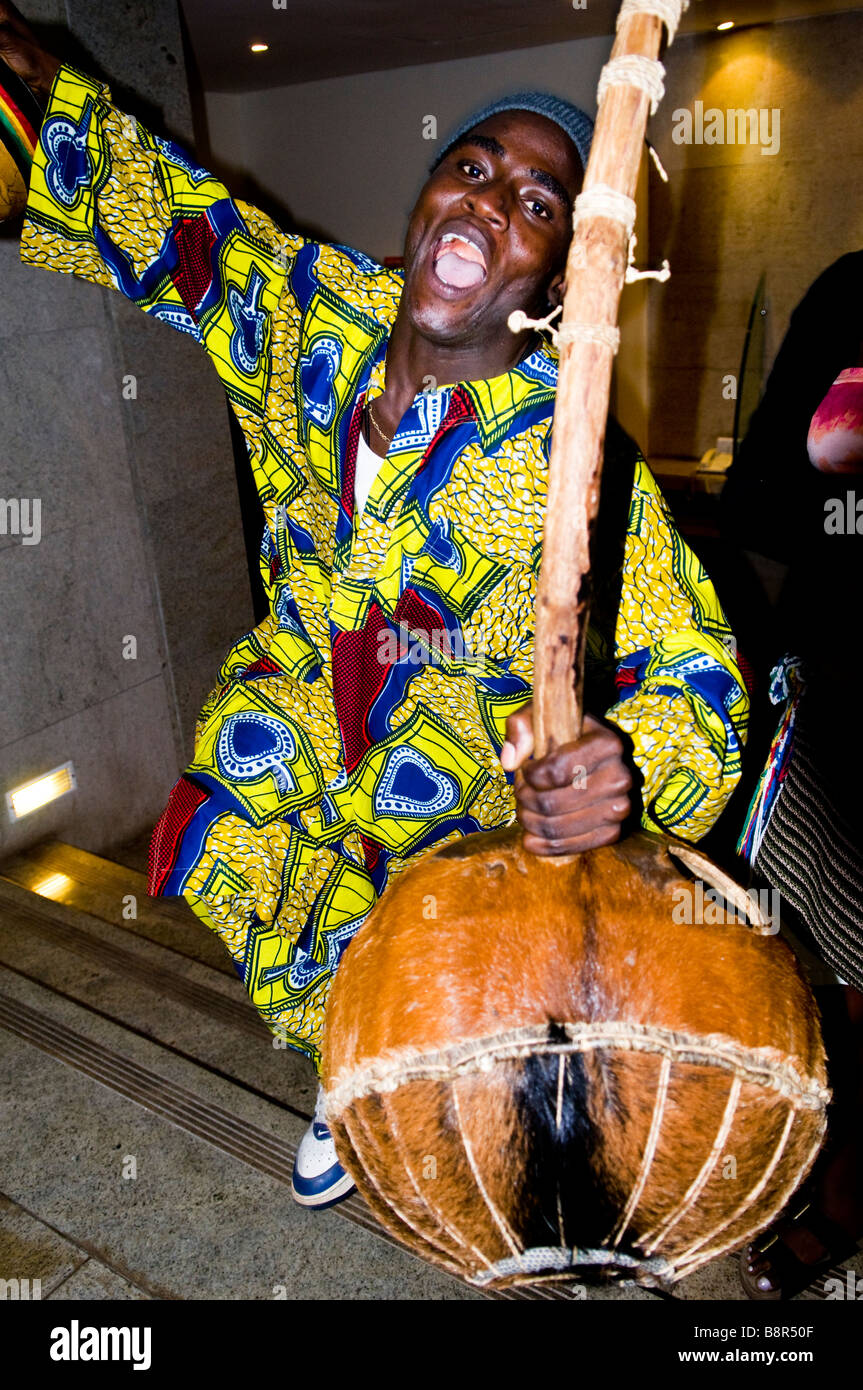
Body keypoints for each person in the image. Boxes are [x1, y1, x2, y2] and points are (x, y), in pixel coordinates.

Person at [0, 3, 747, 1210]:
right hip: (298, 704)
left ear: (552, 278)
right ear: (426, 200)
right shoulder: (319, 313)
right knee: (227, 807)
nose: (493, 203)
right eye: (472, 168)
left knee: (444, 959)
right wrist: (40, 82)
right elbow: (185, 222)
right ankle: (352, 1052)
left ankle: (422, 1063)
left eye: (539, 203)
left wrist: (625, 767)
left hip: (455, 777)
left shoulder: (568, 451)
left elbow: (700, 670)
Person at [721, 254, 863, 1297]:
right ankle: (839, 1179)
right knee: (840, 957)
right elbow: (761, 496)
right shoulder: (852, 294)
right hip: (843, 674)